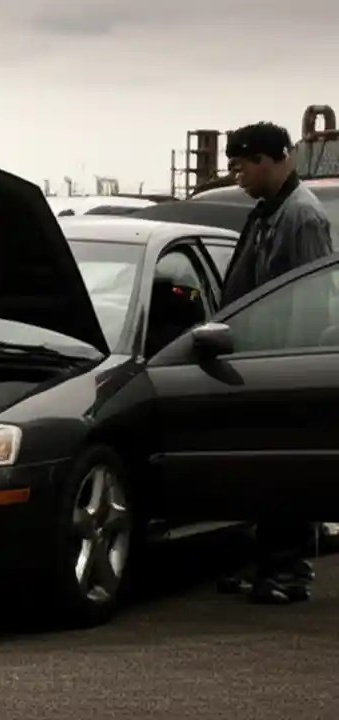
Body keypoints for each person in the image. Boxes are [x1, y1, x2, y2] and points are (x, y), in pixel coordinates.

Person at [215, 121, 335, 605]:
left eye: (241, 166)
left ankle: (289, 571)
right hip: (258, 360)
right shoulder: (270, 210)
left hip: (284, 363)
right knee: (262, 475)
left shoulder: (301, 217)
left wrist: (286, 364)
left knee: (285, 473)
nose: (237, 176)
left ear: (269, 159)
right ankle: (264, 564)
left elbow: (306, 298)